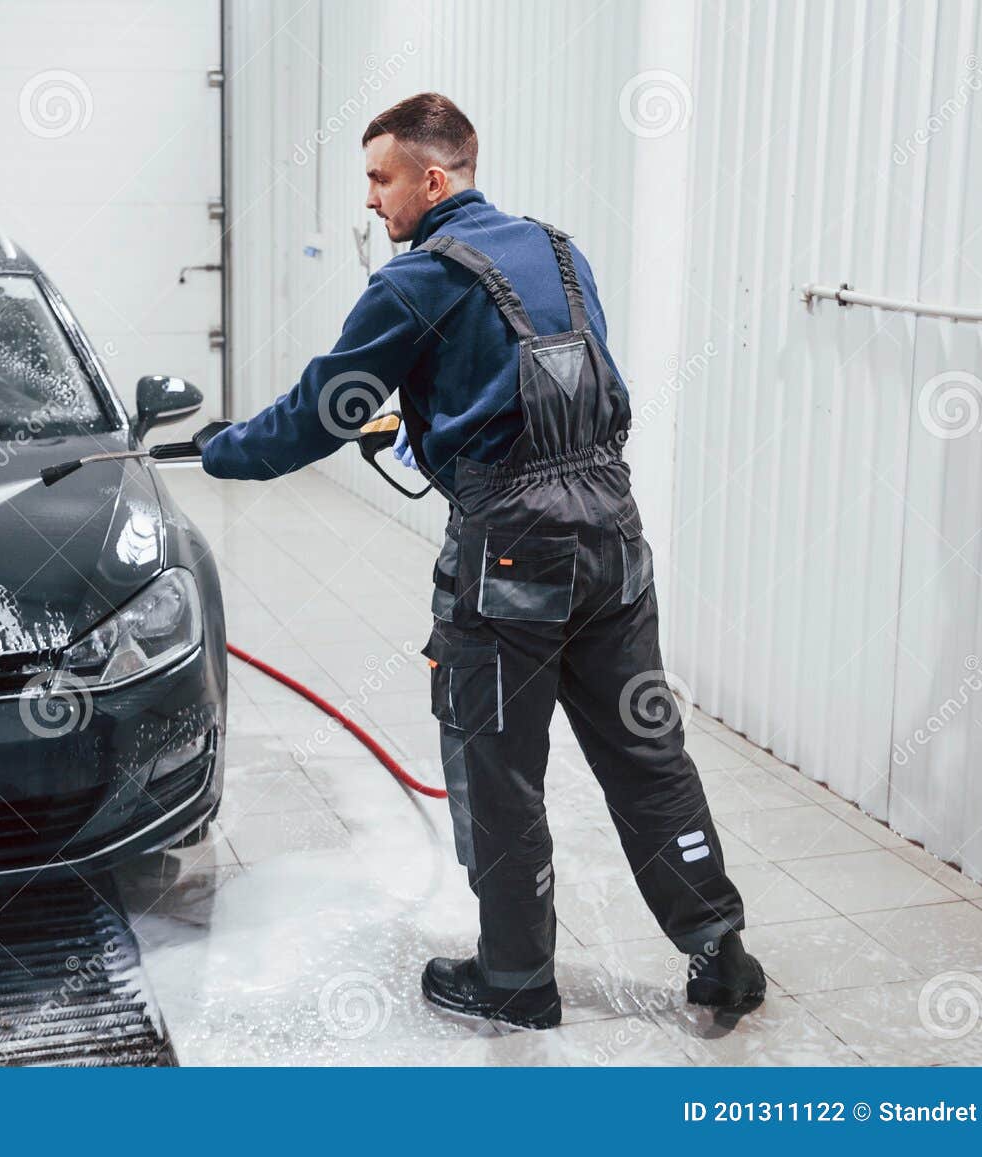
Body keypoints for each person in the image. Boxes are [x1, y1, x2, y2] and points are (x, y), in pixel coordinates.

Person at [198, 92, 765, 1030]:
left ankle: (515, 979)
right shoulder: (558, 250)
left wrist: (223, 449)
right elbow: (560, 391)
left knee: (497, 766)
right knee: (646, 748)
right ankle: (719, 950)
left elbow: (320, 412)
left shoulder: (414, 282)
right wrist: (439, 430)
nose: (373, 203)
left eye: (381, 180)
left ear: (433, 177)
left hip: (510, 560)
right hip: (612, 541)